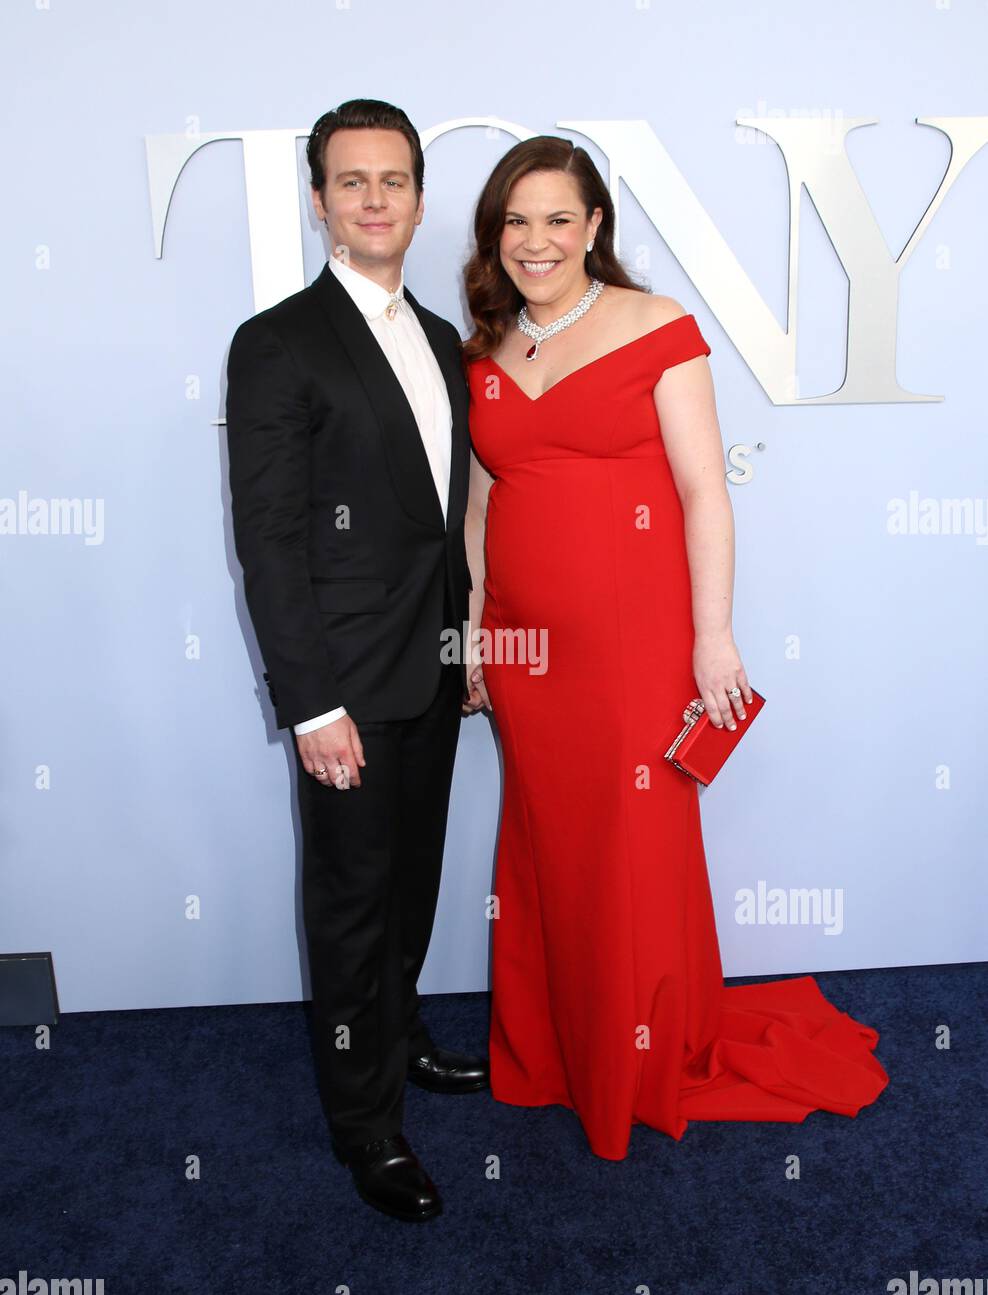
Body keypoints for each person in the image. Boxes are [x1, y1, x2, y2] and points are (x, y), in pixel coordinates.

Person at [461, 136, 889, 1161]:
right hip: (525, 652)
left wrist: (712, 638)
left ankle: (637, 1057)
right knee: (544, 844)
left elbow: (705, 494)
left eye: (558, 218)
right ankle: (557, 1051)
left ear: (596, 226)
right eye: (516, 221)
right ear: (495, 236)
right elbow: (479, 505)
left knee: (629, 849)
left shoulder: (658, 330)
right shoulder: (484, 350)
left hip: (629, 642)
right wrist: (475, 631)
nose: (536, 240)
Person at [226, 99, 488, 1222]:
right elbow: (269, 541)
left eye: (392, 181)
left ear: (419, 202)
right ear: (320, 199)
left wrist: (465, 639)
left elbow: (443, 519)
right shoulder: (277, 341)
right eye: (350, 181)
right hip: (342, 687)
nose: (373, 200)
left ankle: (403, 1029)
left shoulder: (438, 339)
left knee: (413, 881)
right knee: (349, 903)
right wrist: (309, 702)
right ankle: (364, 1124)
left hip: (430, 667)